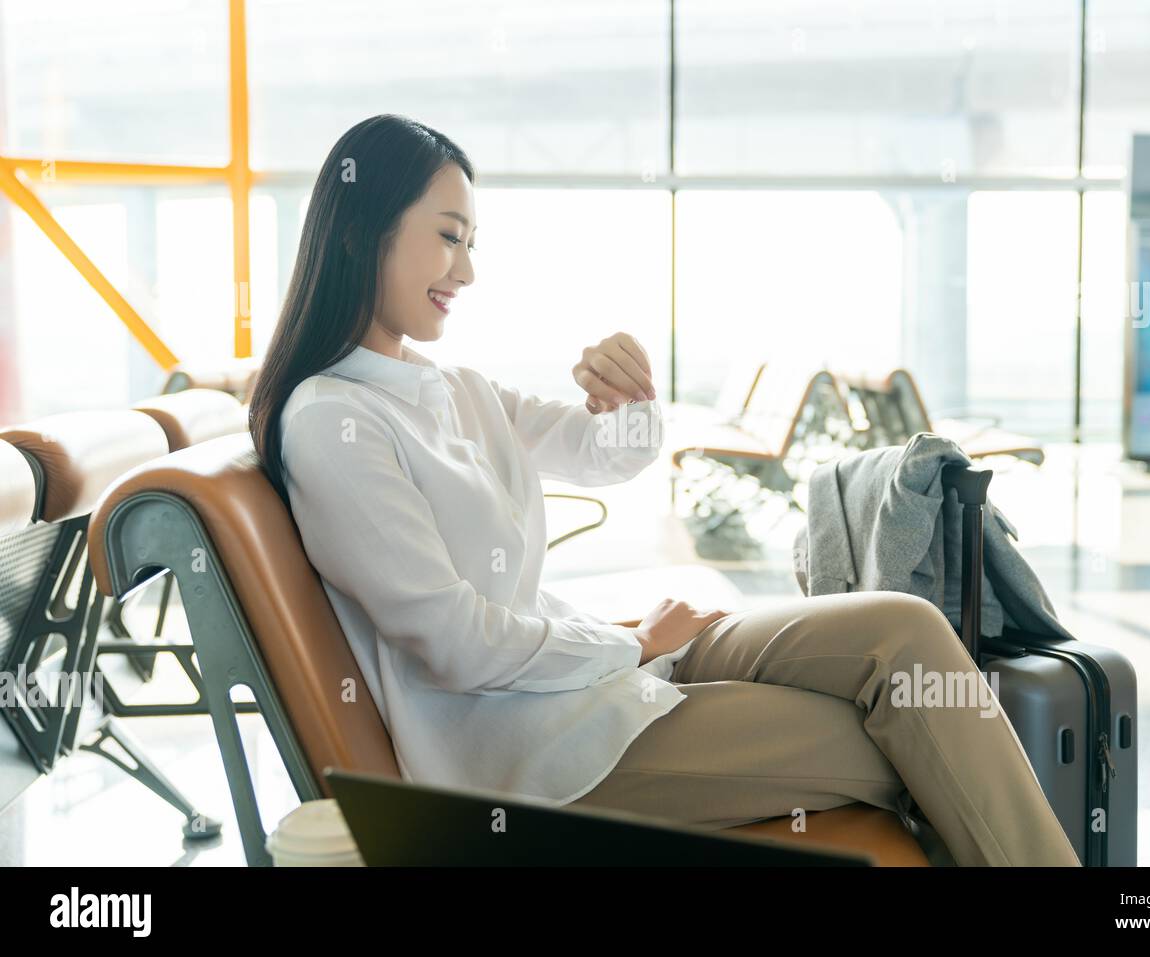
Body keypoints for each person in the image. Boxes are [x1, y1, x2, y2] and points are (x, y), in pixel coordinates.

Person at [249, 114, 1080, 867]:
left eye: (473, 242)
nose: (467, 268)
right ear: (363, 231)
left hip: (596, 680)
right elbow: (454, 643)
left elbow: (601, 454)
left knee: (904, 634)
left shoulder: (451, 386)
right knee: (907, 733)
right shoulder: (332, 421)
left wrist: (627, 391)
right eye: (448, 236)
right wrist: (634, 644)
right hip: (536, 757)